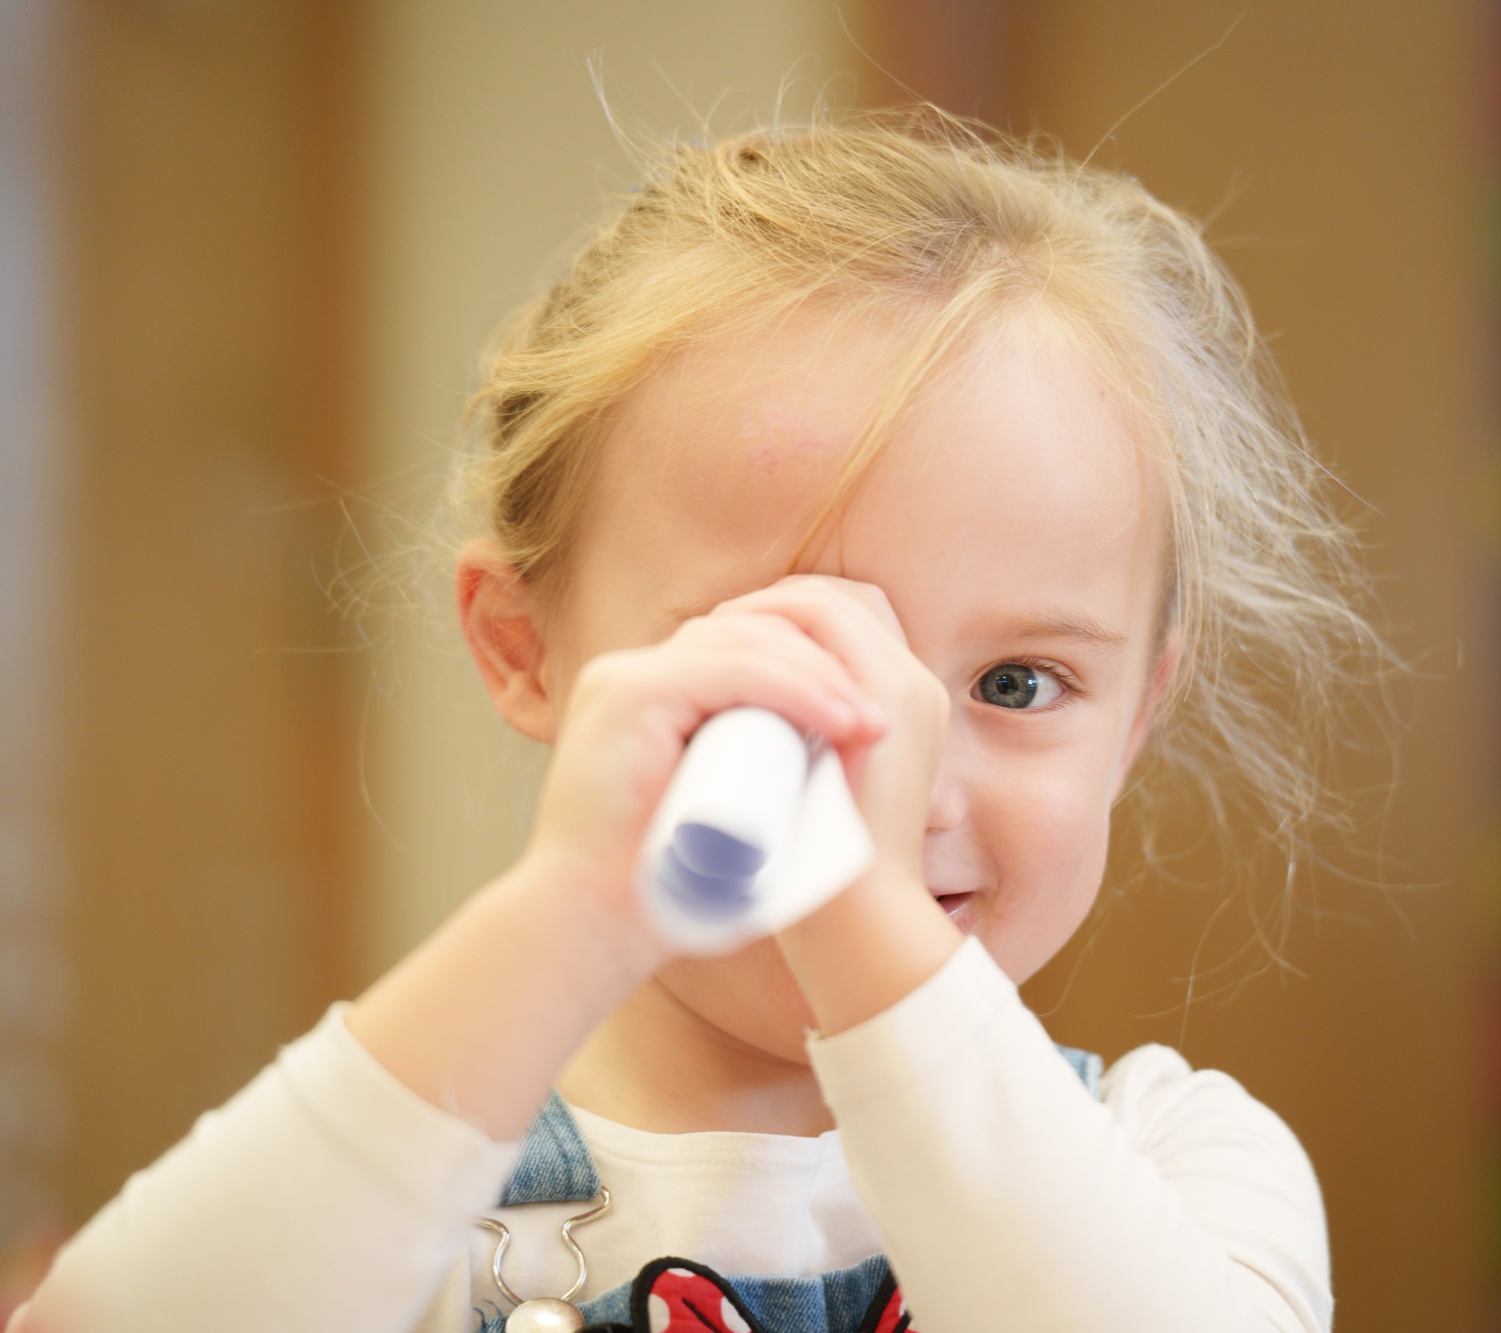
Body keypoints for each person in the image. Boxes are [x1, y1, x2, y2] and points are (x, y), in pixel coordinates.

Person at [14, 109, 1370, 1333]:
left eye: (1016, 683)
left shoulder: (1179, 1160)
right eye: (776, 657)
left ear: (1138, 712)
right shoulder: (412, 1176)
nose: (901, 774)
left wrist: (861, 917)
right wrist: (569, 916)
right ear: (525, 650)